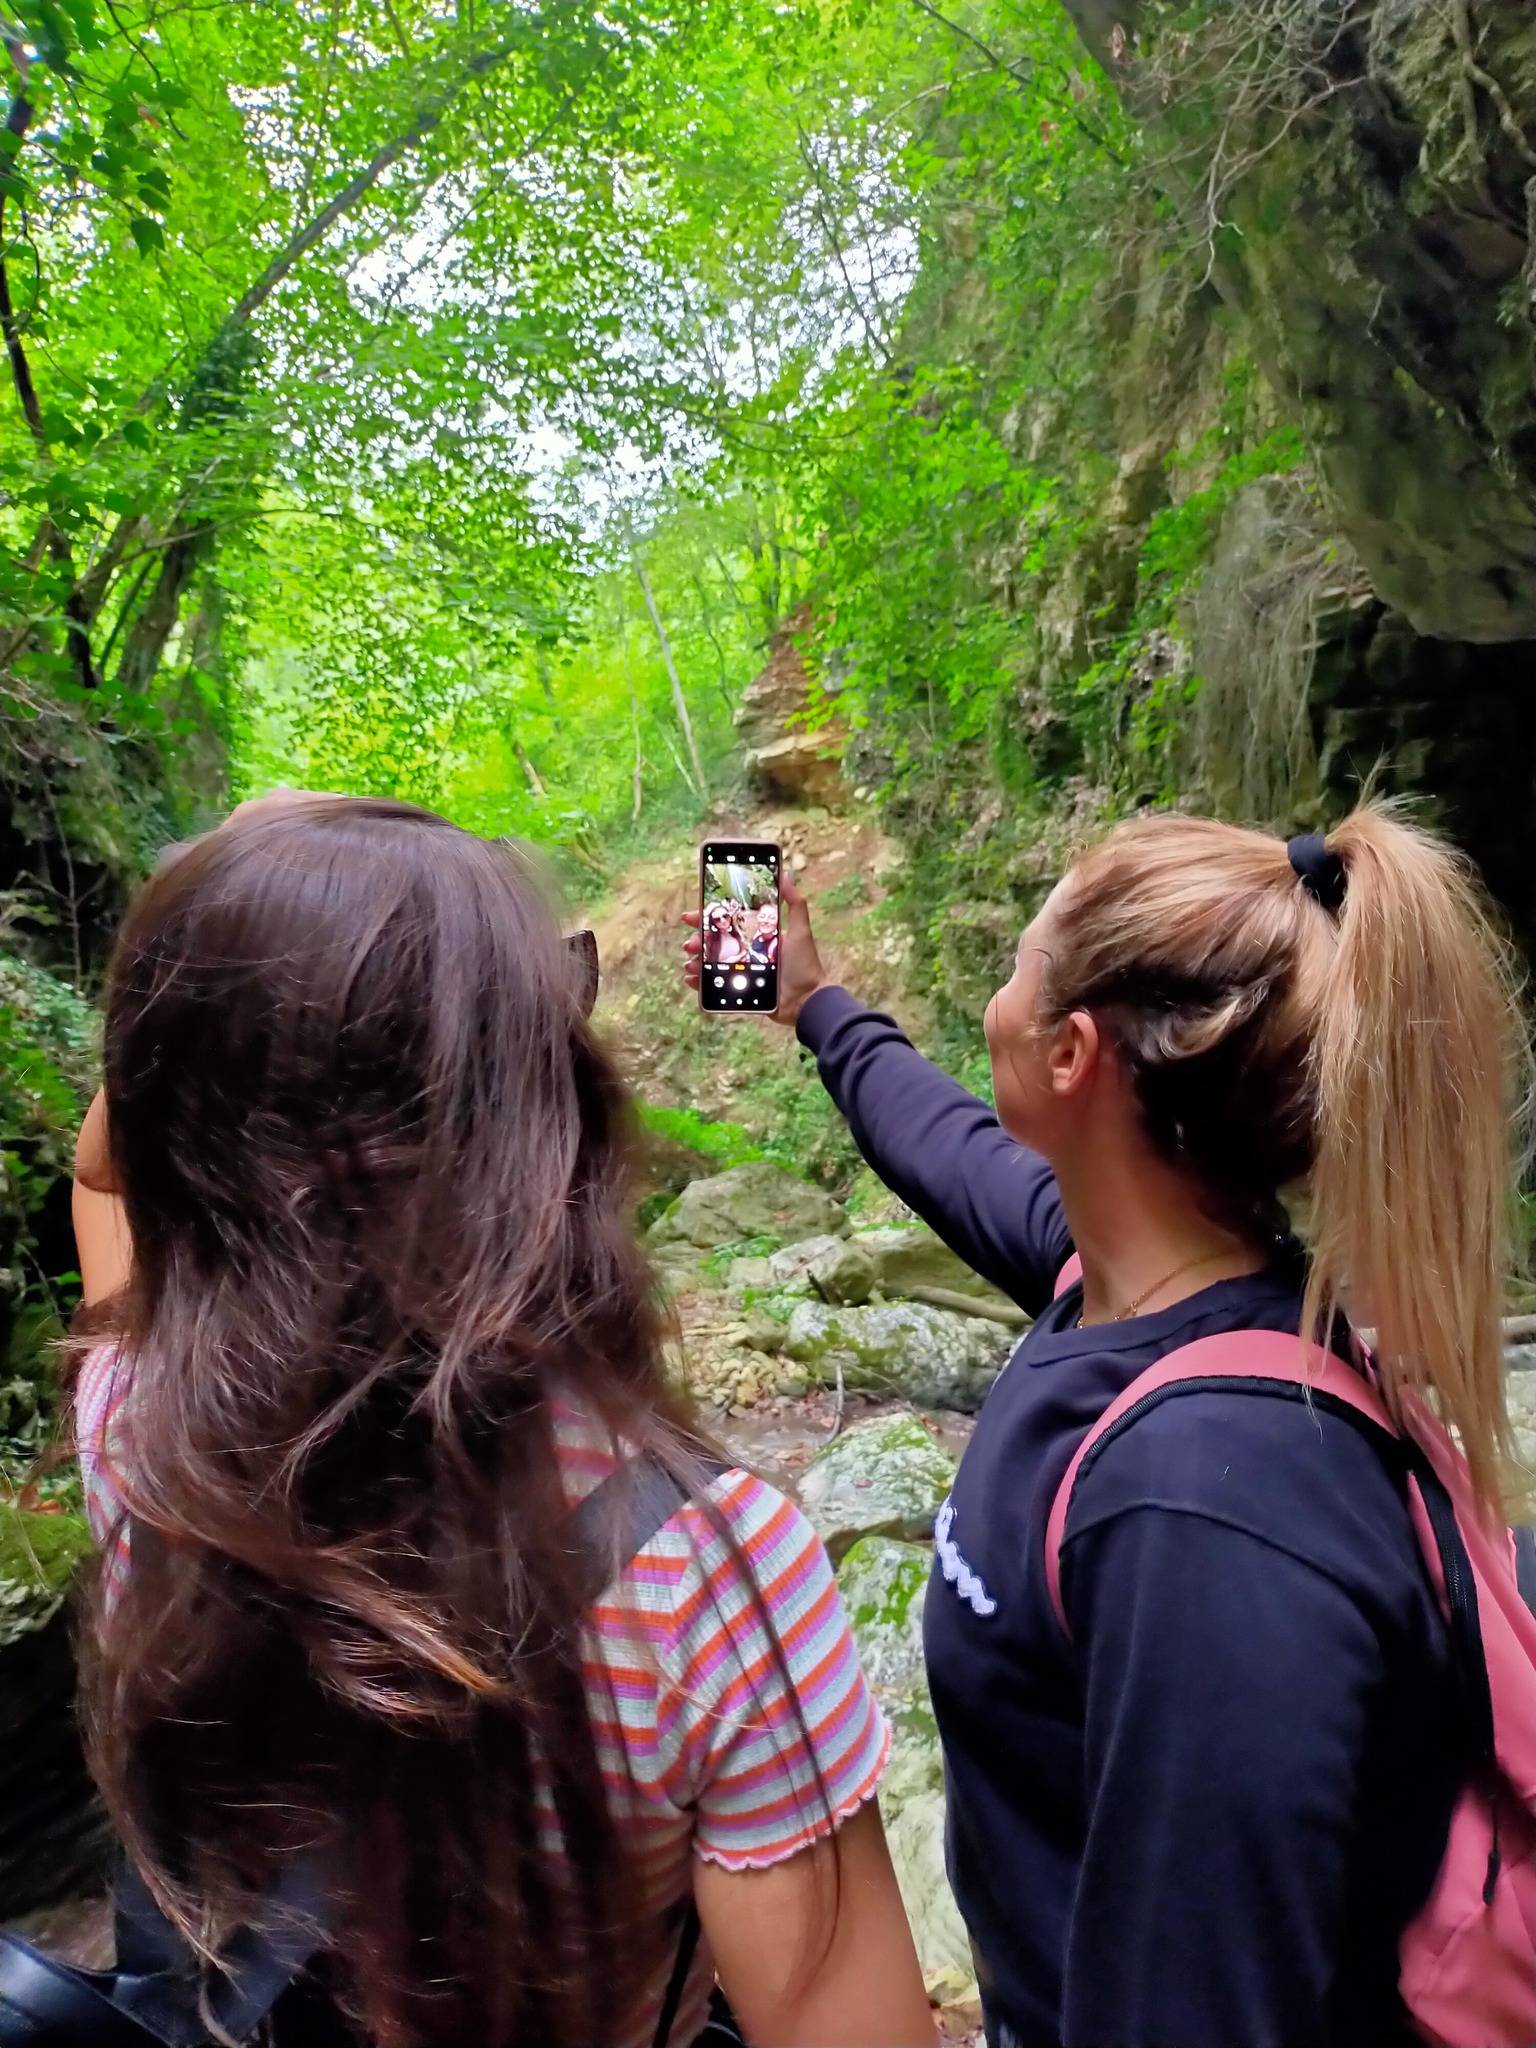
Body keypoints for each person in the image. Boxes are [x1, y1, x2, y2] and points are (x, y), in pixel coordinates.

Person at [69, 794, 935, 2048]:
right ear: (546, 1117)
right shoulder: (711, 1570)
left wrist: (219, 979)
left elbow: (105, 1178)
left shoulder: (137, 1435)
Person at [685, 802, 1526, 2048]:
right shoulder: (1130, 1278)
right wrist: (814, 1001)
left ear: (1072, 1052)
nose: (998, 998)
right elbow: (946, 1143)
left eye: (1018, 964)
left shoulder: (1210, 1507)